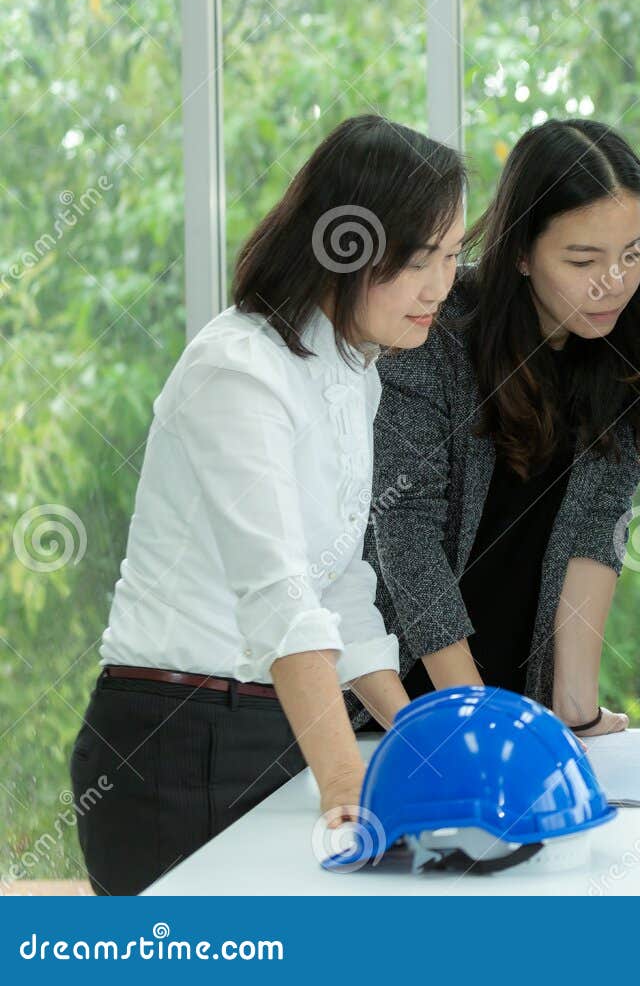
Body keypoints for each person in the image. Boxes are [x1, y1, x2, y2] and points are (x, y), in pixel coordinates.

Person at [69, 114, 469, 894]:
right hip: (174, 743)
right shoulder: (238, 370)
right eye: (420, 261)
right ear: (346, 246)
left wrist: (418, 734)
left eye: (454, 258)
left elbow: (339, 586)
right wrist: (349, 788)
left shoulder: (353, 372)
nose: (440, 288)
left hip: (275, 726)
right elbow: (281, 599)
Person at [359, 119, 640, 738]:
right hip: (395, 704)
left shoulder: (624, 344)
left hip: (518, 709)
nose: (614, 282)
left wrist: (575, 711)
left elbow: (596, 530)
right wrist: (475, 718)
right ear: (522, 253)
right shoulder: (436, 332)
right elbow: (405, 529)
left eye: (633, 253)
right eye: (583, 259)